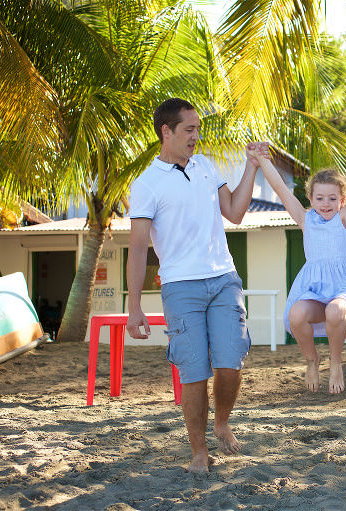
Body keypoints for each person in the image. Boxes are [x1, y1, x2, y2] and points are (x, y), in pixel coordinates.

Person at [126, 97, 268, 473]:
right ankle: (199, 452)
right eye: (189, 130)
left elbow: (236, 213)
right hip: (180, 286)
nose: (195, 137)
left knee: (231, 362)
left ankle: (222, 422)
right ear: (166, 131)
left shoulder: (206, 166)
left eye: (197, 129)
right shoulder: (146, 184)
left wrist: (252, 167)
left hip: (224, 279)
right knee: (194, 372)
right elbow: (138, 249)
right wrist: (135, 307)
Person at [248, 127, 346, 394]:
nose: (325, 203)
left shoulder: (345, 218)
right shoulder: (306, 219)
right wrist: (262, 159)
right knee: (296, 314)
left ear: (343, 200)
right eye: (319, 198)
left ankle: (335, 361)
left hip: (344, 288)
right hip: (314, 289)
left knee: (335, 312)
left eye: (332, 198)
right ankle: (311, 359)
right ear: (310, 198)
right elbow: (281, 189)